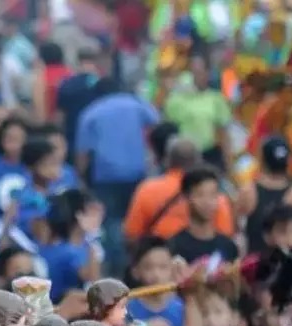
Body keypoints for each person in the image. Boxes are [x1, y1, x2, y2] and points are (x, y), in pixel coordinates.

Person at [75, 78, 159, 276]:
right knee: (136, 220)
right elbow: (156, 123)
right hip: (136, 173)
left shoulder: (91, 112)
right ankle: (137, 265)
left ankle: (115, 269)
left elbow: (82, 153)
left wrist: (81, 179)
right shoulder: (135, 103)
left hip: (105, 177)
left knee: (111, 223)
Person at [124, 137, 235, 244]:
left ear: (168, 161)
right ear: (199, 162)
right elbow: (225, 233)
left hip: (160, 258)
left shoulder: (147, 190)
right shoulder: (214, 196)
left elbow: (132, 234)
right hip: (204, 259)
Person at [167, 165, 238, 264]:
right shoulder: (173, 246)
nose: (208, 202)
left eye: (213, 195)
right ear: (186, 197)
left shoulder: (229, 247)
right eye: (200, 194)